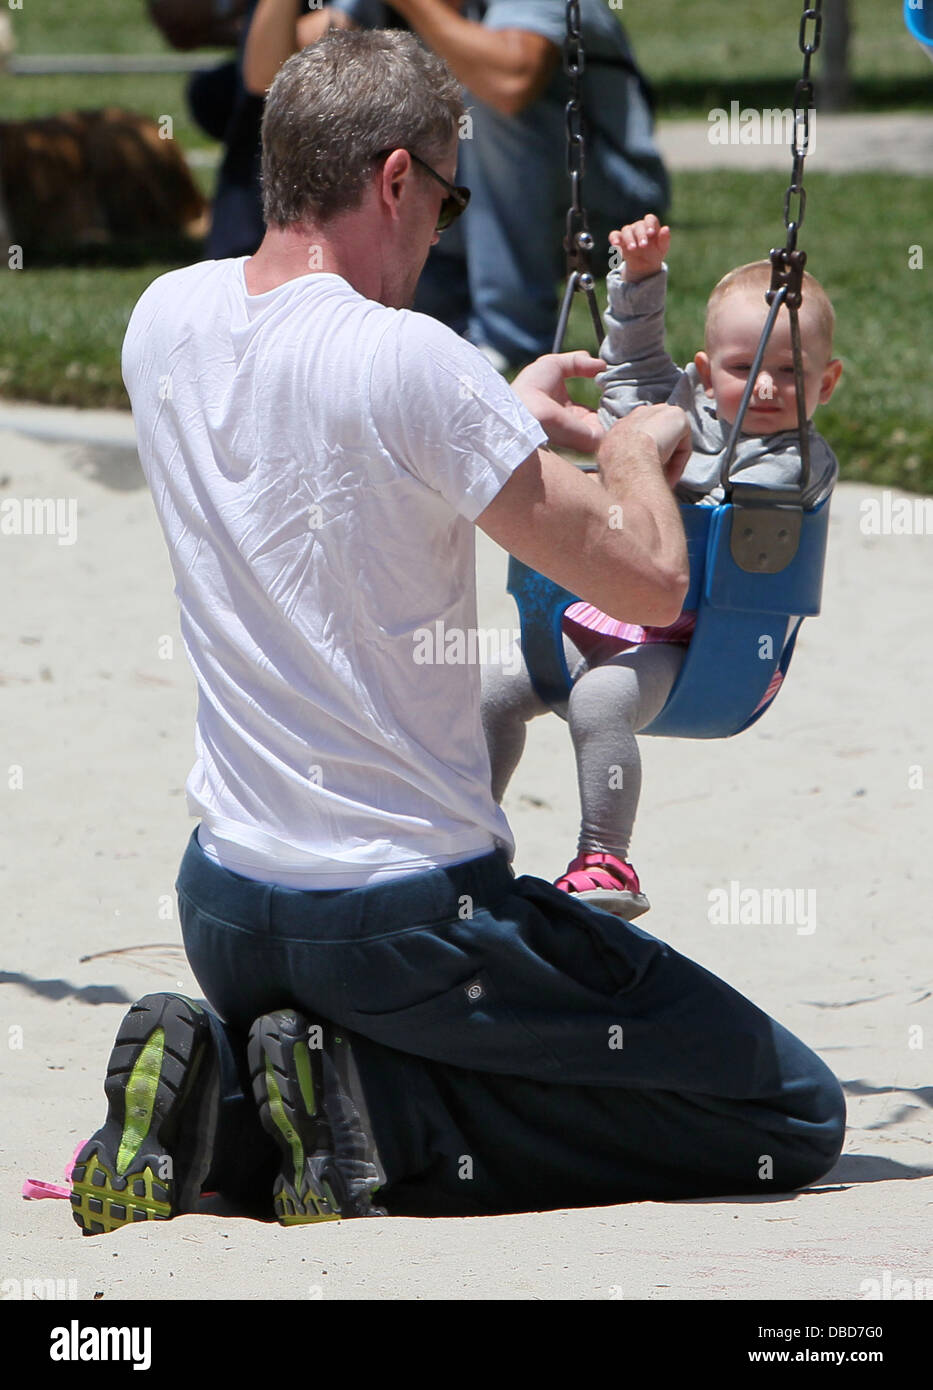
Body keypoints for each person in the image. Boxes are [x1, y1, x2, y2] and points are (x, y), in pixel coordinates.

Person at [70, 33, 844, 1234]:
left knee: (428, 1034)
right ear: (393, 180)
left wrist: (497, 421)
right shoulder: (415, 360)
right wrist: (634, 452)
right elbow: (642, 579)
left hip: (224, 907)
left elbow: (327, 450)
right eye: (445, 196)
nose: (442, 227)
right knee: (786, 1114)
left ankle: (226, 1095)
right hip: (406, 929)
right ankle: (380, 1105)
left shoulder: (161, 319)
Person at [482, 213, 843, 919]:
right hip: (603, 612)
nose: (767, 388)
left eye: (789, 372)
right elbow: (637, 369)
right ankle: (474, 837)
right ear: (705, 373)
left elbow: (734, 485)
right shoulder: (686, 403)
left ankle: (602, 856)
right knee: (490, 690)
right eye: (744, 369)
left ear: (825, 383)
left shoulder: (801, 457)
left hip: (700, 649)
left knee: (598, 700)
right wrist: (639, 279)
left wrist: (643, 446)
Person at [242, 0, 669, 368]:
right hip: (459, 210)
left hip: (607, 204)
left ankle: (510, 337)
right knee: (339, 110)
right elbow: (268, 76)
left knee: (481, 102)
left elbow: (512, 80)